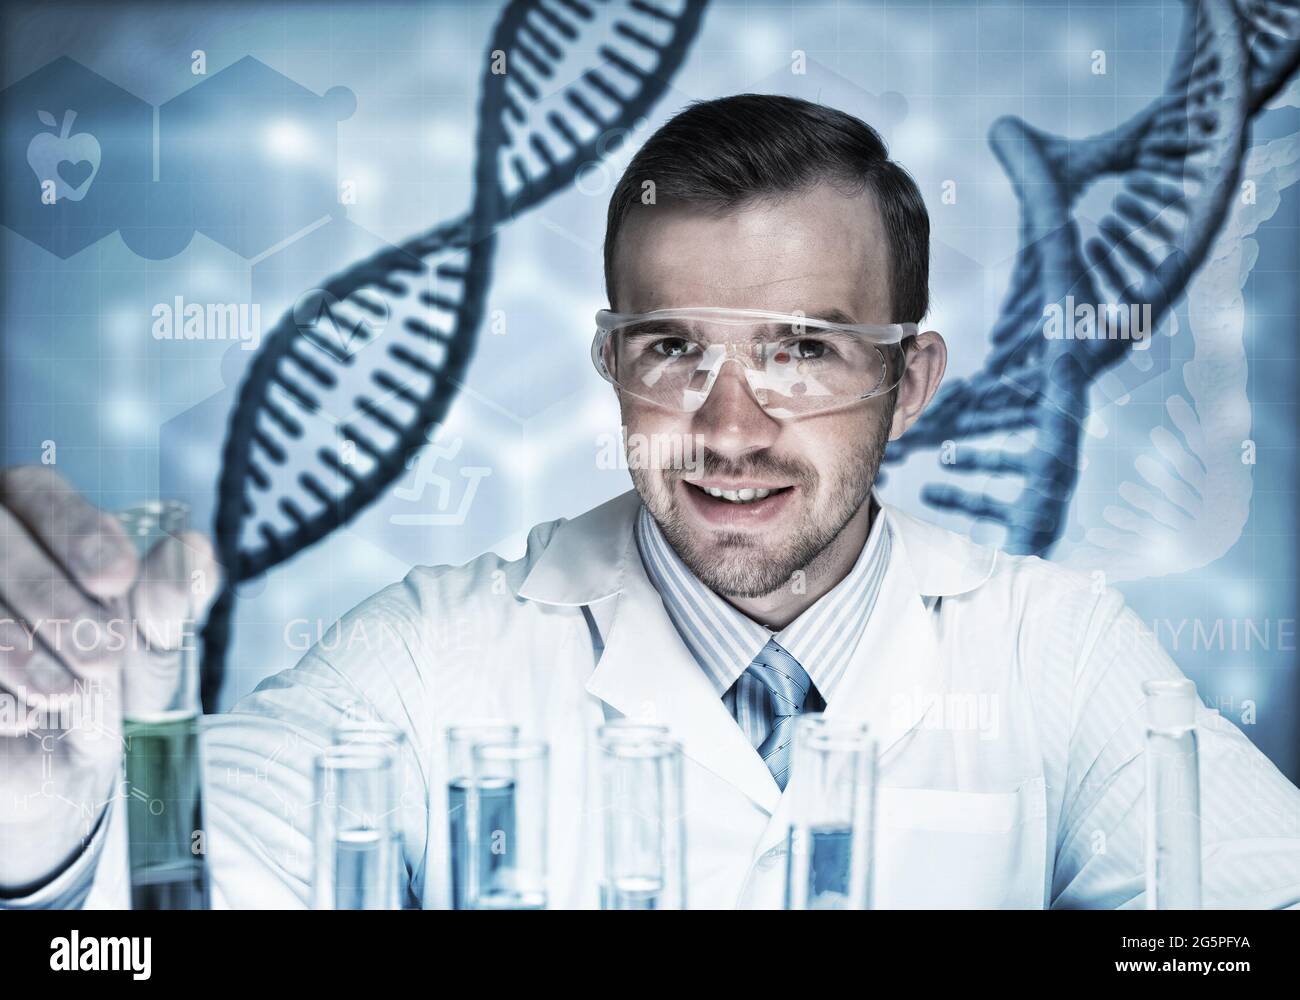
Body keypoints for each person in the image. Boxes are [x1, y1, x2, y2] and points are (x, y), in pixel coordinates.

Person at [2, 94, 1297, 909]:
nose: (731, 429)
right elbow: (167, 922)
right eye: (675, 351)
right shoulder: (429, 654)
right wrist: (57, 832)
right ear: (612, 365)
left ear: (910, 382)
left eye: (802, 351)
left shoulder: (1053, 648)